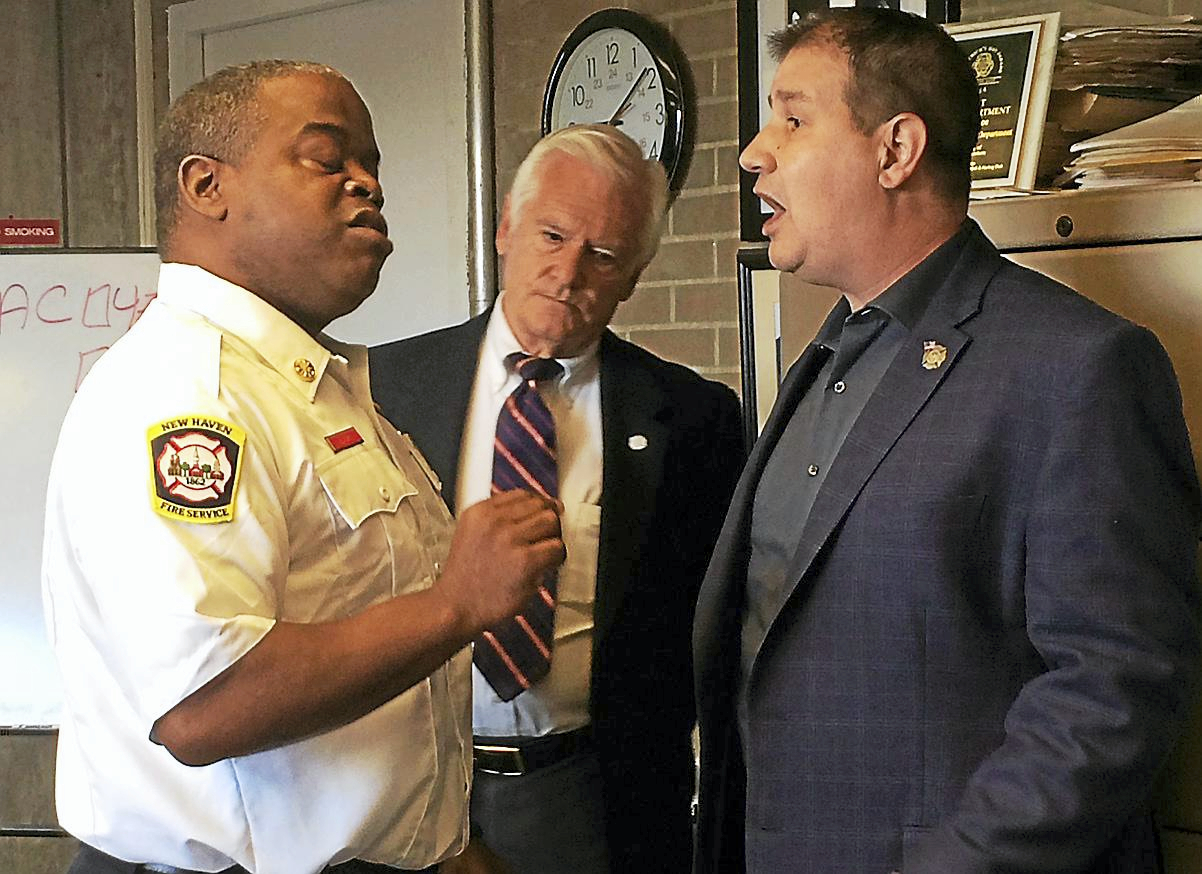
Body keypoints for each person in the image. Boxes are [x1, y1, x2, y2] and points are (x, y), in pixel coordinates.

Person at [692, 9, 1202, 874]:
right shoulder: (821, 357)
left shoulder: (1081, 367)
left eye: (793, 116)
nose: (754, 152)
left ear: (895, 151)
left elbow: (1115, 690)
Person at [42, 60, 565, 874]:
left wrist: (444, 852)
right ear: (206, 187)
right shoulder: (189, 393)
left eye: (374, 167)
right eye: (329, 158)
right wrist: (456, 604)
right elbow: (205, 702)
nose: (368, 185)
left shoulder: (316, 390)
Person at [370, 124, 745, 874]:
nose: (568, 271)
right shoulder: (383, 388)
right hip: (407, 785)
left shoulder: (693, 419)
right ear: (507, 225)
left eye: (602, 254)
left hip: (594, 800)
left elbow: (717, 638)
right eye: (551, 234)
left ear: (633, 276)